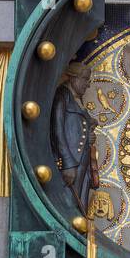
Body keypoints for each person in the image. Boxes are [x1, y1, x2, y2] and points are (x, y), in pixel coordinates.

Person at [51, 62, 99, 214]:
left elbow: (79, 128)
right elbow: (57, 130)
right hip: (72, 162)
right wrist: (67, 163)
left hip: (81, 161)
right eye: (85, 79)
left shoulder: (77, 98)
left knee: (80, 203)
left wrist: (89, 137)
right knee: (70, 204)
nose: (88, 84)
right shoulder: (62, 96)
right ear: (73, 78)